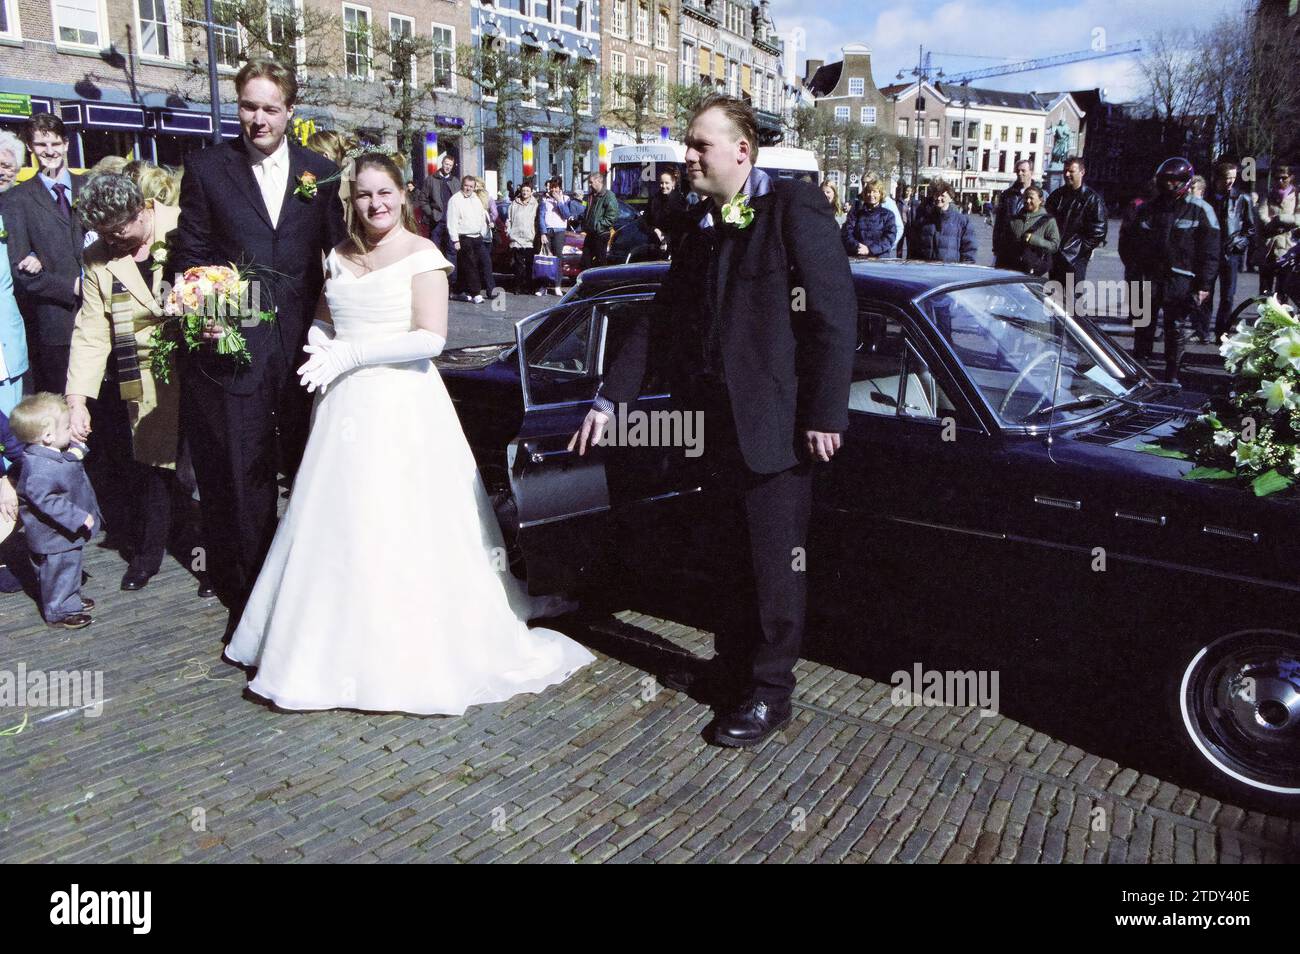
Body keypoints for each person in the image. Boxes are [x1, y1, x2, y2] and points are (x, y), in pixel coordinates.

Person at [223, 153, 594, 713]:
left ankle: (407, 650)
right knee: (337, 522)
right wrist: (321, 340)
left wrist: (351, 352)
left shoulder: (423, 256)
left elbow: (429, 339)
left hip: (401, 404)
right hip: (343, 406)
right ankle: (322, 645)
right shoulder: (341, 256)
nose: (375, 204)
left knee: (402, 519)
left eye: (384, 193)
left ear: (402, 195)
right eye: (364, 195)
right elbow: (325, 315)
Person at [571, 94, 856, 747]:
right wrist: (610, 398)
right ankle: (732, 671)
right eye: (689, 144)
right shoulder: (703, 223)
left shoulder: (790, 209)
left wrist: (825, 412)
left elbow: (835, 314)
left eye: (700, 146)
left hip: (776, 427)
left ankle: (769, 692)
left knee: (773, 566)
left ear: (742, 151)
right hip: (714, 427)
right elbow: (660, 319)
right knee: (730, 558)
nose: (688, 156)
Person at [171, 58, 346, 621]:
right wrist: (204, 307)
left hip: (304, 349)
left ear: (290, 112)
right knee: (243, 471)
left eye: (271, 108)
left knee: (306, 465)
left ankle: (306, 581)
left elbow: (340, 257)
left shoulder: (319, 172)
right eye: (249, 106)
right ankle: (250, 599)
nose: (258, 118)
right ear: (237, 106)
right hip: (236, 344)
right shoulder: (206, 169)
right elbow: (191, 253)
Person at [65, 173, 193, 593]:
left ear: (142, 210)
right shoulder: (99, 257)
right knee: (152, 468)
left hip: (197, 365)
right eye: (105, 233)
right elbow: (91, 331)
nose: (115, 240)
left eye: (121, 229)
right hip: (142, 373)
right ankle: (147, 553)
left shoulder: (183, 225)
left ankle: (208, 555)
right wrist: (77, 399)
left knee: (203, 468)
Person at [4, 114, 86, 394]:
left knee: (109, 410)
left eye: (54, 143)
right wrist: (72, 286)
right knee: (60, 405)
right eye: (41, 144)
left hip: (101, 317)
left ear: (66, 144)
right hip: (56, 325)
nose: (49, 151)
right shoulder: (16, 200)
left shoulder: (89, 187)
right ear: (30, 147)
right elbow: (20, 271)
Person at [11, 392, 100, 629]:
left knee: (66, 569)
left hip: (59, 535)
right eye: (67, 427)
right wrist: (79, 517)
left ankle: (68, 599)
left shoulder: (45, 455)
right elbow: (48, 501)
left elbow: (64, 464)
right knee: (59, 570)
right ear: (49, 436)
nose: (71, 430)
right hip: (54, 536)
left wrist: (78, 451)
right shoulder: (39, 469)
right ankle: (60, 611)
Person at [1132, 157, 1219, 383]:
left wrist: (1204, 285)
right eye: (1166, 180)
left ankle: (1172, 375)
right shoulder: (1147, 209)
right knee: (1142, 326)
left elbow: (1210, 251)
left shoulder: (1201, 210)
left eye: (1175, 180)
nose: (1170, 184)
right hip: (1149, 278)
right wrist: (1133, 274)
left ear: (1186, 182)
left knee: (1175, 328)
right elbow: (1130, 243)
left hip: (1181, 279)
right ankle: (1140, 374)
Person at [1206, 160, 1257, 341]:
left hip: (1231, 253)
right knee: (1206, 293)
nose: (1230, 182)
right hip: (1210, 253)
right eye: (1227, 178)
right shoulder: (1208, 197)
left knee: (1228, 295)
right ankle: (1203, 331)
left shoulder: (1242, 198)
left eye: (1233, 178)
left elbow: (1251, 228)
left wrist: (1240, 243)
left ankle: (1222, 331)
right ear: (1217, 179)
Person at [1045, 156, 1107, 297]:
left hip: (1075, 259)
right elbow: (1046, 220)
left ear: (1082, 172)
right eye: (1065, 171)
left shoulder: (1092, 199)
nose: (1067, 175)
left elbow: (1099, 230)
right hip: (1056, 256)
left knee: (1073, 299)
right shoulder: (1057, 195)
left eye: (1071, 171)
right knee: (1054, 297)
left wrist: (1079, 249)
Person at [447, 174, 493, 303]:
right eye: (466, 186)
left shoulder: (476, 199)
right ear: (462, 185)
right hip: (464, 237)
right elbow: (452, 221)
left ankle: (457, 291)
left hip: (477, 237)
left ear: (474, 187)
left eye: (471, 186)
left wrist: (482, 232)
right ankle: (476, 293)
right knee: (470, 264)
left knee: (484, 262)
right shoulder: (455, 200)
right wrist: (455, 239)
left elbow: (481, 217)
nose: (468, 188)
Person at [909, 181, 976, 263]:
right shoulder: (923, 220)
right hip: (926, 270)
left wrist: (965, 268)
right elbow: (914, 246)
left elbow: (969, 249)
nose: (938, 198)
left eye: (942, 196)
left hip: (950, 270)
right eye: (936, 195)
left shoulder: (962, 221)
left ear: (950, 198)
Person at [1256, 164, 1297, 297]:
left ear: (1291, 178)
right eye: (1276, 178)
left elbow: (1298, 218)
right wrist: (1272, 224)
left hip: (1287, 247)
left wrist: (1280, 218)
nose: (1280, 181)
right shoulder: (1267, 194)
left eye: (1284, 178)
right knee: (1265, 289)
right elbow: (1262, 214)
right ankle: (1264, 316)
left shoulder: (1297, 195)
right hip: (1268, 247)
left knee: (1283, 288)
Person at [538, 179, 581, 295]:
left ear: (560, 188)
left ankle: (557, 285)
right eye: (552, 187)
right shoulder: (544, 199)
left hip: (559, 231)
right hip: (547, 230)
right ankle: (544, 286)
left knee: (558, 258)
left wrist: (559, 201)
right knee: (546, 258)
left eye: (556, 187)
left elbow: (566, 215)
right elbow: (541, 217)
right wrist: (542, 232)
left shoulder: (566, 199)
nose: (554, 189)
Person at [1006, 185, 1060, 276]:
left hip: (1037, 270)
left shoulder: (1049, 221)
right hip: (1014, 269)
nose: (1028, 201)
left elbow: (1054, 246)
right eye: (1026, 198)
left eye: (1031, 198)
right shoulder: (1014, 220)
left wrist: (1034, 240)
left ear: (1041, 200)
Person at [416, 153, 458, 272]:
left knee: (451, 251)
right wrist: (431, 213)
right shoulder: (431, 179)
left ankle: (452, 282)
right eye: (446, 164)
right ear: (442, 164)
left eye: (450, 165)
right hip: (437, 221)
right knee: (435, 251)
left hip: (451, 222)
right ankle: (436, 277)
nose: (448, 167)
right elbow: (422, 199)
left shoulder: (455, 181)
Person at [993, 159, 1036, 268]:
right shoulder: (1007, 195)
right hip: (1007, 249)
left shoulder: (1041, 195)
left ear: (1031, 172)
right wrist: (996, 247)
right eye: (1018, 171)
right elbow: (999, 224)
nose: (1019, 173)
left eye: (1023, 170)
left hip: (1029, 251)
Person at [842, 175, 896, 258]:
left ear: (881, 194)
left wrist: (870, 249)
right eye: (869, 192)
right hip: (858, 256)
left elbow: (889, 238)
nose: (871, 195)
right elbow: (847, 233)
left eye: (875, 192)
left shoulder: (888, 215)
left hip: (879, 258)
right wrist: (857, 246)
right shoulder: (856, 214)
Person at [644, 168, 689, 258]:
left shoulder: (681, 201)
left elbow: (683, 224)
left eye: (667, 183)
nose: (663, 186)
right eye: (661, 183)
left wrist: (668, 238)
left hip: (675, 246)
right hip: (655, 245)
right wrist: (655, 230)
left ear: (673, 183)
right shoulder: (654, 200)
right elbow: (646, 221)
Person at [579, 172, 618, 271]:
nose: (589, 184)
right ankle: (587, 284)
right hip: (591, 233)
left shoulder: (608, 196)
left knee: (600, 263)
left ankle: (603, 284)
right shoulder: (591, 196)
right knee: (585, 262)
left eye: (591, 182)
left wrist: (598, 226)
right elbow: (587, 212)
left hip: (601, 234)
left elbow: (612, 217)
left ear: (599, 181)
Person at [507, 182, 540, 294]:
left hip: (529, 239)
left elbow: (537, 221)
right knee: (518, 265)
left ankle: (529, 287)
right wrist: (509, 231)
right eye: (523, 190)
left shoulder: (535, 204)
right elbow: (509, 219)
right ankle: (518, 287)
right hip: (516, 238)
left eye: (527, 191)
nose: (525, 193)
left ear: (531, 192)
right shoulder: (514, 204)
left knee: (530, 265)